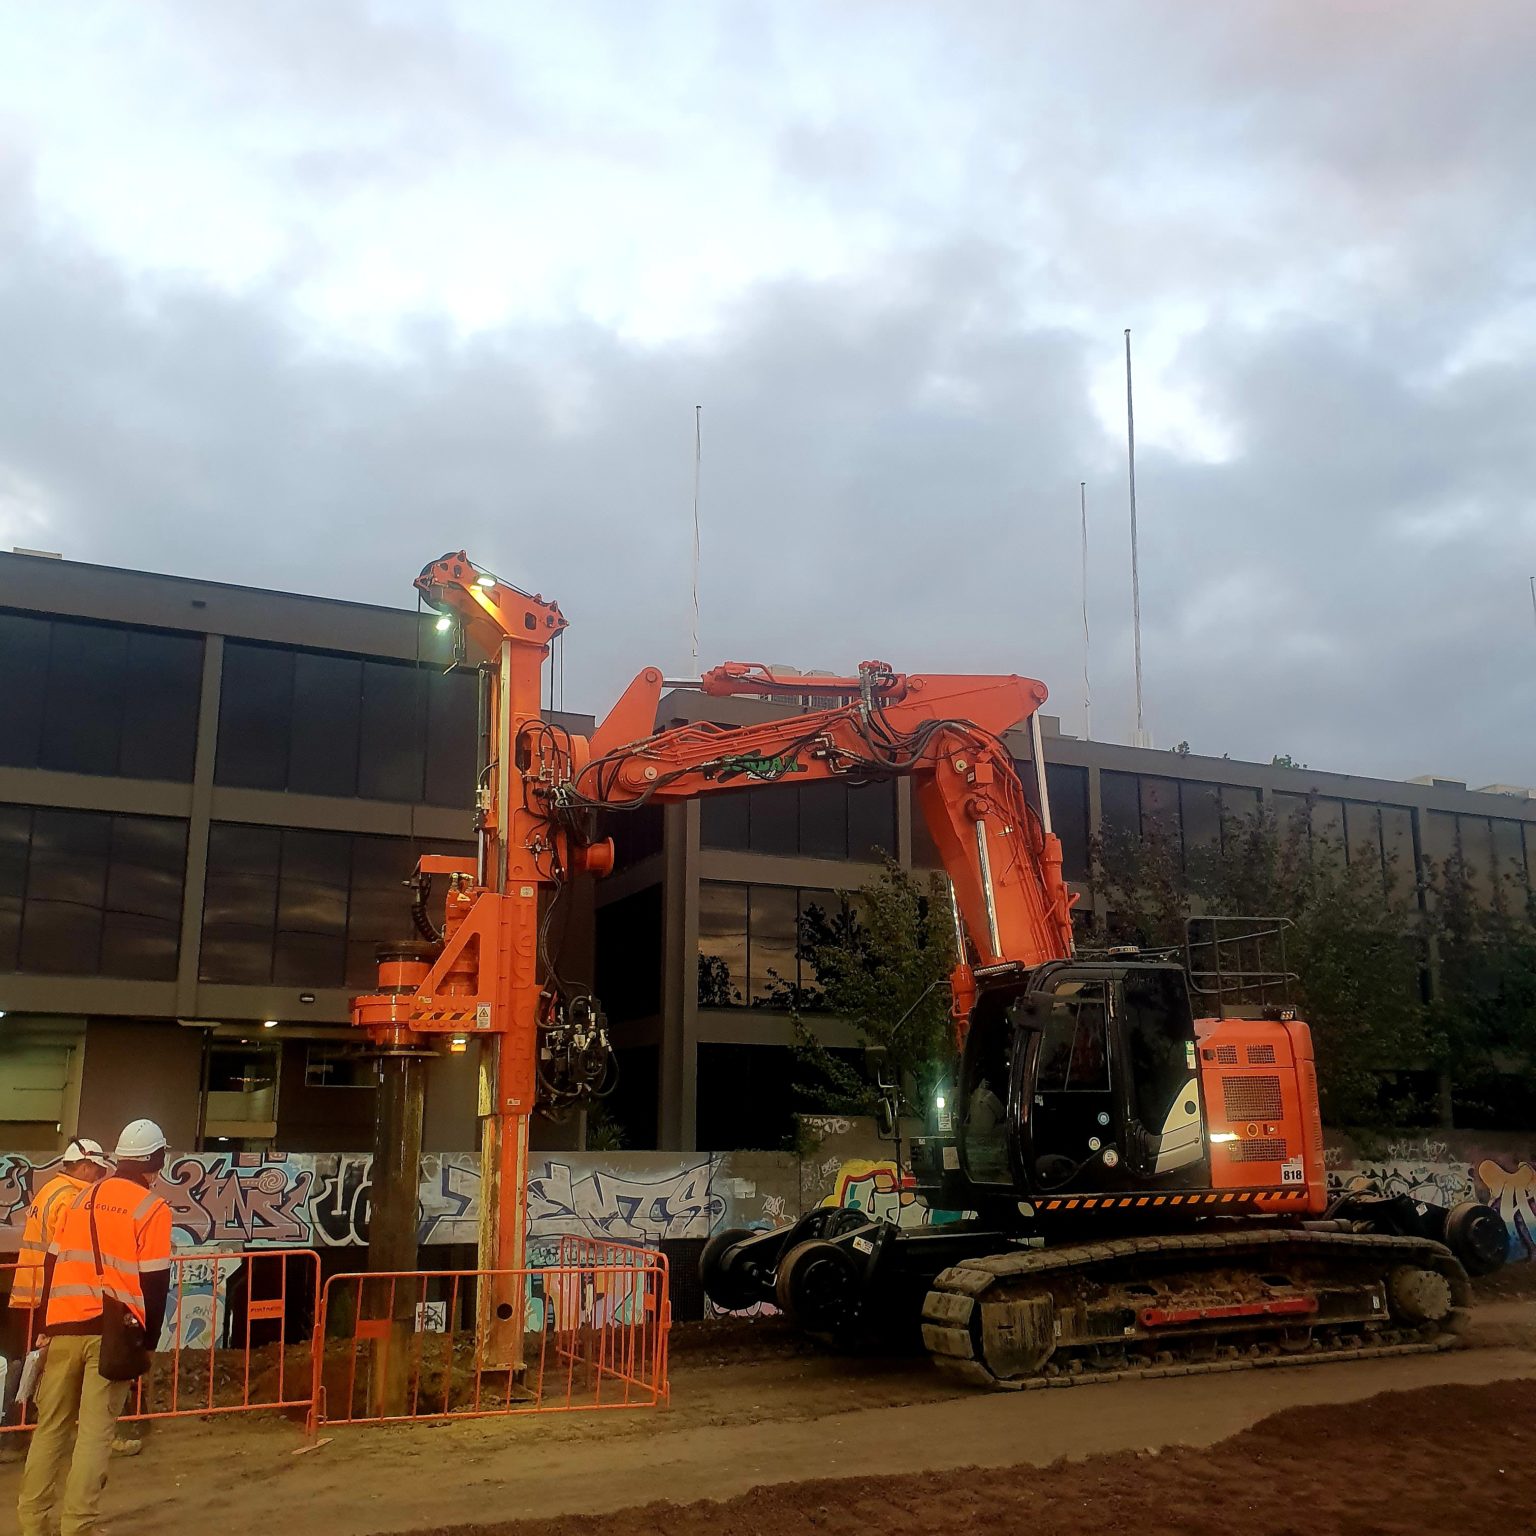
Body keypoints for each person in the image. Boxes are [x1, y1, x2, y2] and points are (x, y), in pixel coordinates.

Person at [16, 1119, 172, 1536]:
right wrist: (149, 1343)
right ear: (155, 1161)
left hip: (62, 1326)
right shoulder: (151, 1208)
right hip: (111, 1335)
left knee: (49, 1429)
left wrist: (47, 1324)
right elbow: (155, 1283)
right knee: (93, 1435)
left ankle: (32, 1523)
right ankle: (77, 1527)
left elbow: (51, 1263)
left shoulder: (80, 1200)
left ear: (119, 1159)